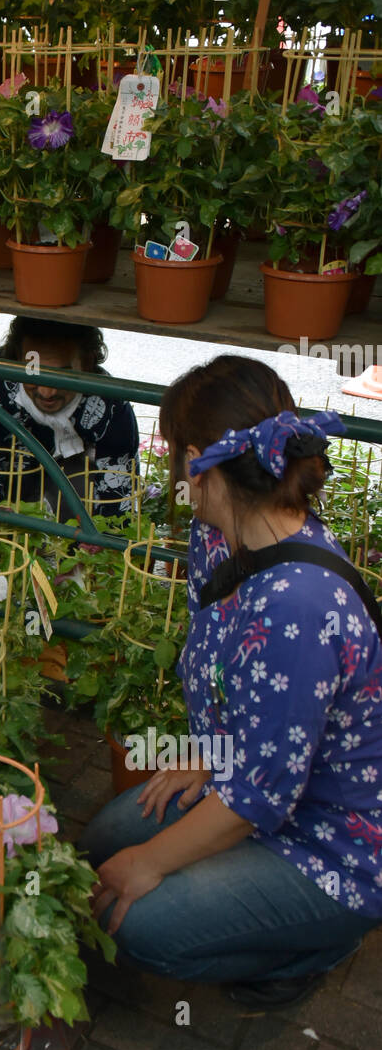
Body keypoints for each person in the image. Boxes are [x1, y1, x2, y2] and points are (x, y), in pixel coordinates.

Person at [81, 356, 382, 1010]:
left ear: (196, 460)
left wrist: (154, 862)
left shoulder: (294, 605)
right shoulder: (221, 535)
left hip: (333, 844)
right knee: (102, 843)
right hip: (260, 780)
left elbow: (260, 798)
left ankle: (315, 944)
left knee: (130, 919)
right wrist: (205, 750)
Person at [0, 317, 139, 517]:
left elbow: (117, 498)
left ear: (87, 363)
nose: (47, 392)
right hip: (13, 464)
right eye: (33, 372)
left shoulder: (109, 406)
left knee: (81, 493)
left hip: (74, 473)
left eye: (60, 377)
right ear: (17, 357)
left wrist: (97, 540)